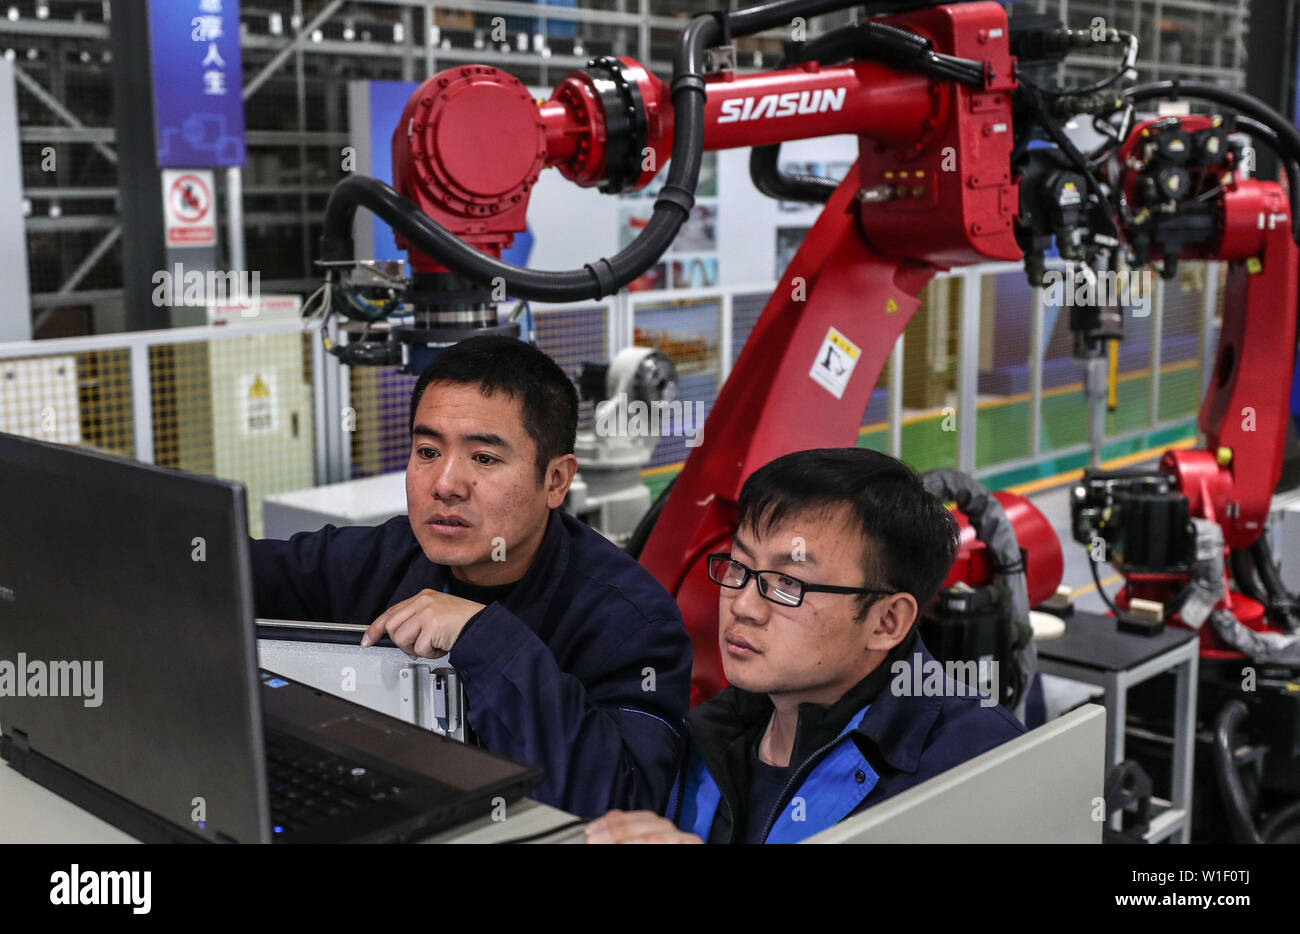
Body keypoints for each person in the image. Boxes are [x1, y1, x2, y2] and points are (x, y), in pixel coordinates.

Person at [251, 335, 692, 818]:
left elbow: (621, 805)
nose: (445, 485)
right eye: (426, 451)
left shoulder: (633, 625)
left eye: (484, 458)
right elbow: (230, 575)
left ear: (556, 480)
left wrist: (486, 642)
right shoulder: (378, 557)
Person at [584, 447, 1026, 844]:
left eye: (787, 583)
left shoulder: (979, 767)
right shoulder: (705, 735)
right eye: (739, 566)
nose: (744, 605)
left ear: (887, 621)